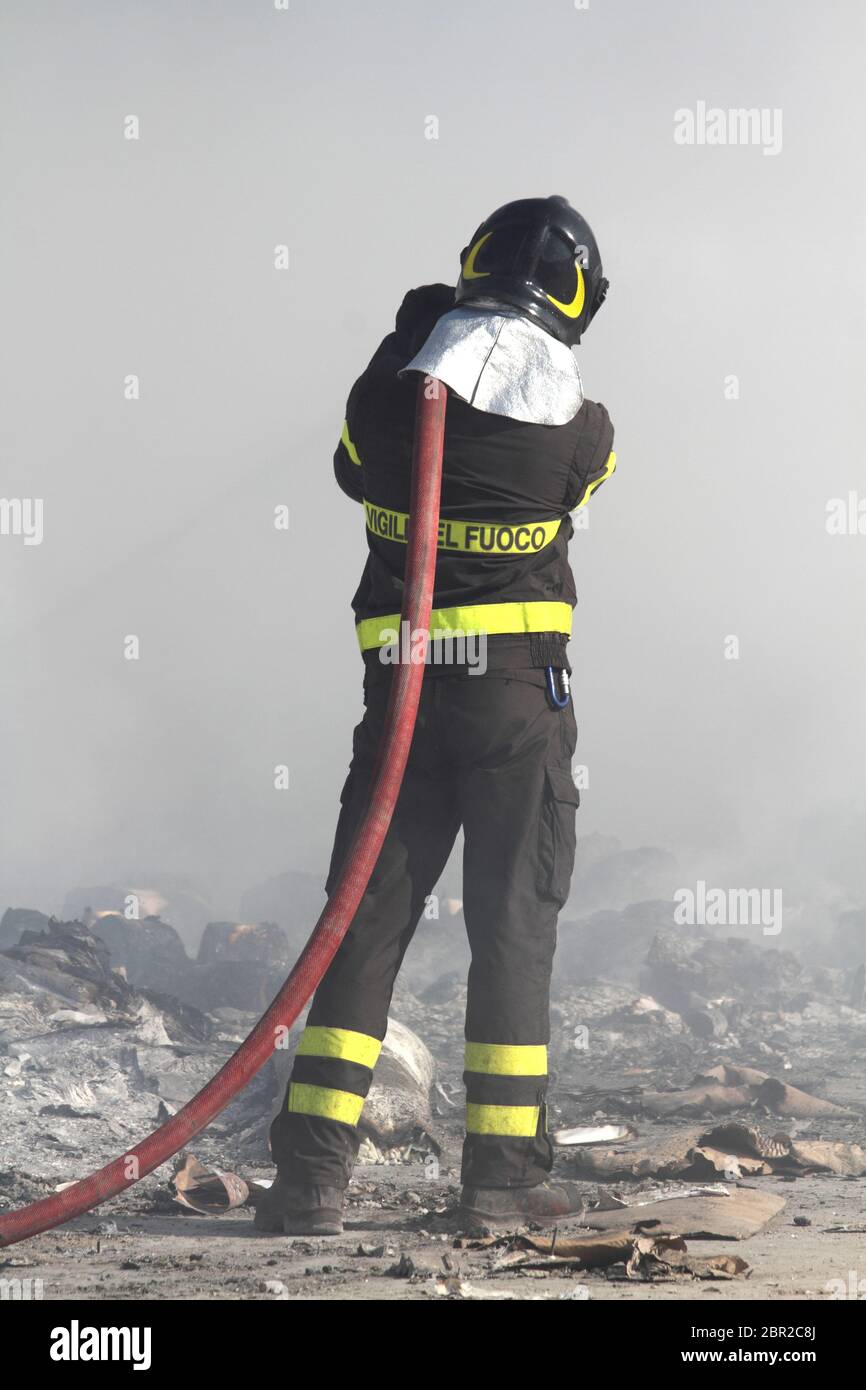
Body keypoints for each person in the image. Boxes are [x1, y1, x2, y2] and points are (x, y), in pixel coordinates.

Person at [257, 196, 616, 1235]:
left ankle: (310, 1182)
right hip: (515, 716)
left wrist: (401, 339)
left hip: (403, 711)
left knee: (358, 930)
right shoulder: (579, 434)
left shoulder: (384, 405)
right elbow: (579, 490)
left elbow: (343, 465)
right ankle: (501, 1185)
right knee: (510, 931)